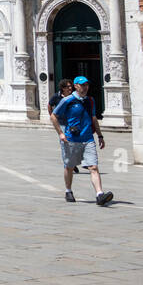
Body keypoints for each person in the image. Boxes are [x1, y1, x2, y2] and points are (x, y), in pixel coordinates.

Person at [50, 76, 112, 205]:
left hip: (88, 138)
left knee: (93, 167)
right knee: (69, 167)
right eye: (82, 85)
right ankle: (68, 190)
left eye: (87, 85)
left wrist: (100, 136)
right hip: (71, 139)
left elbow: (94, 118)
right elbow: (53, 116)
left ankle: (99, 194)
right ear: (76, 86)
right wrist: (60, 133)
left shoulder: (90, 100)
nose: (85, 87)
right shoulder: (68, 100)